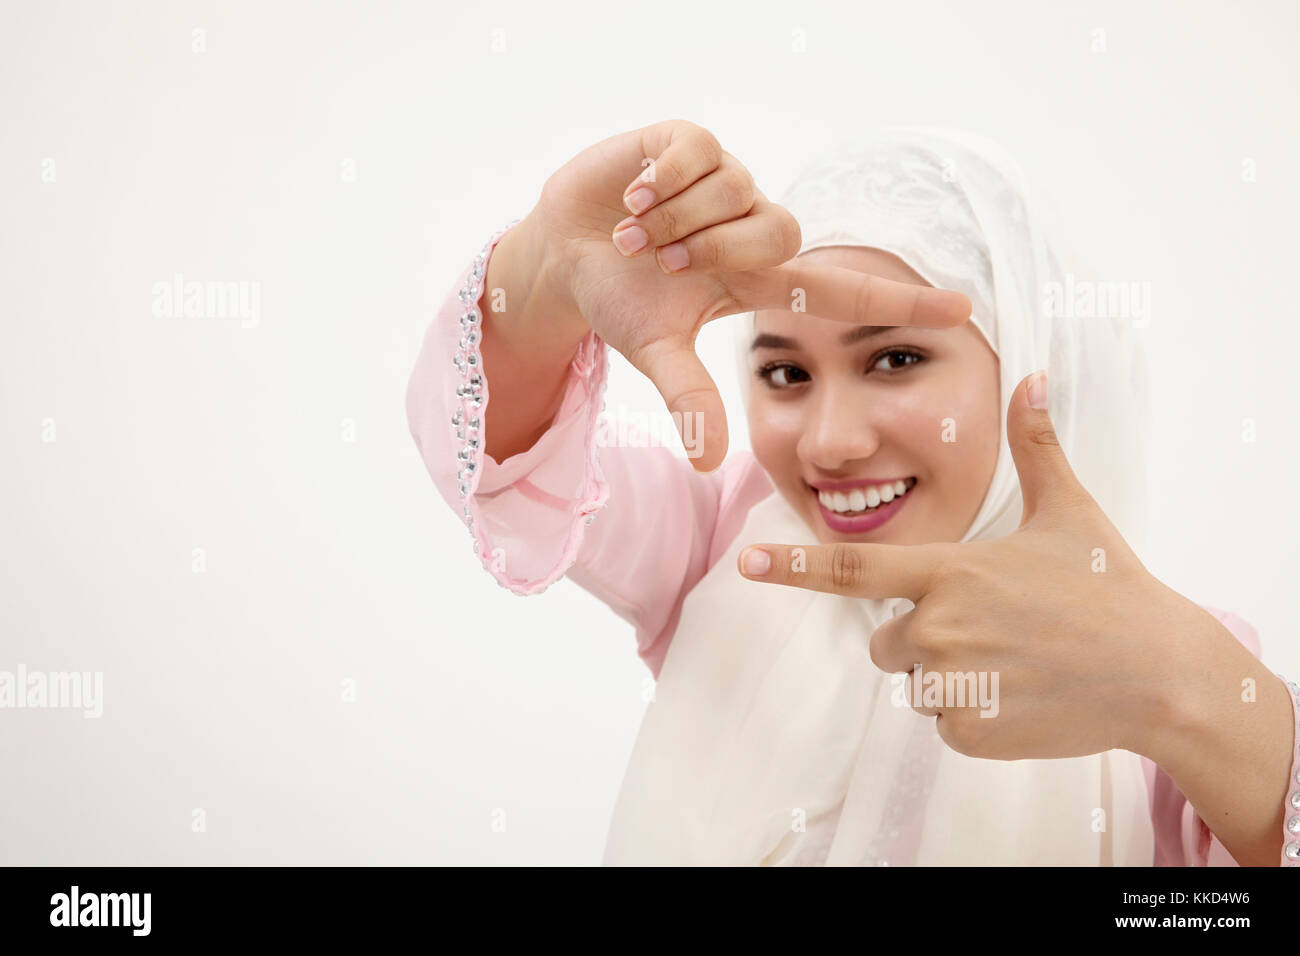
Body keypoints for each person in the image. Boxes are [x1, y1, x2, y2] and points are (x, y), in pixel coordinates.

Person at [406, 119, 1300, 865]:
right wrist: (544, 275)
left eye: (896, 358)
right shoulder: (726, 552)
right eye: (786, 372)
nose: (831, 443)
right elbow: (499, 453)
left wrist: (1183, 686)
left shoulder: (1159, 658)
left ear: (1031, 359)